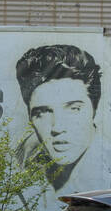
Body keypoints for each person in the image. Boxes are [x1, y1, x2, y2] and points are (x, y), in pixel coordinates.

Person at [14, 43, 105, 201]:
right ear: (30, 117)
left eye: (73, 109)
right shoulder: (19, 163)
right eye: (42, 113)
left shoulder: (105, 161)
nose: (57, 127)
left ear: (94, 109)